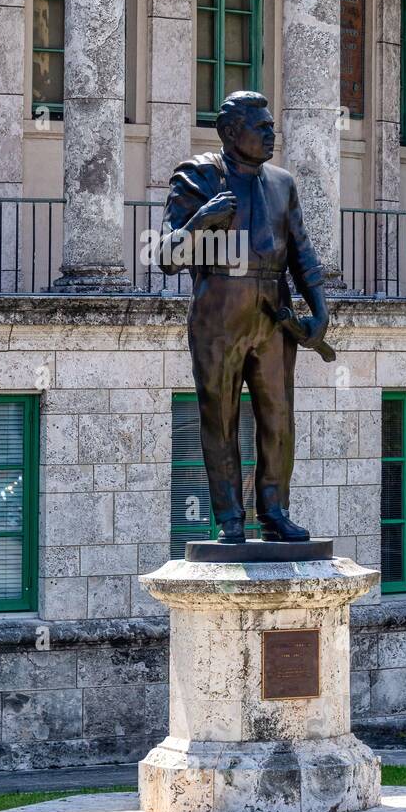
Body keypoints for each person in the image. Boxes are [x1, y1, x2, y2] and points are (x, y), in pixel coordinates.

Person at [161, 91, 329, 545]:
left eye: (273, 126)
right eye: (263, 127)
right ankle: (230, 520)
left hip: (273, 312)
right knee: (221, 418)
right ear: (232, 133)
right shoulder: (197, 176)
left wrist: (320, 309)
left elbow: (302, 251)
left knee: (279, 416)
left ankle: (274, 510)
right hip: (219, 311)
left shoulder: (281, 183)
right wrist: (201, 219)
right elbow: (166, 257)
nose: (272, 134)